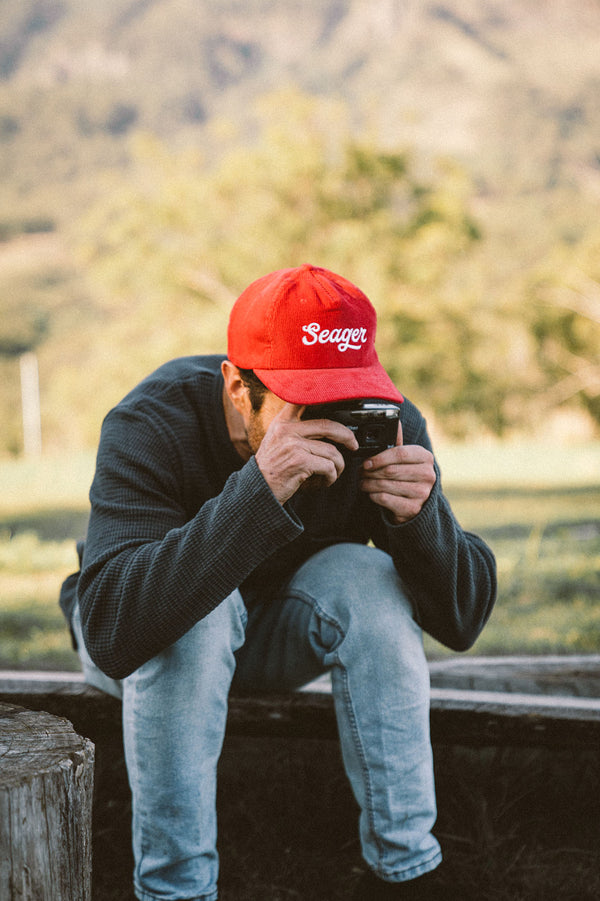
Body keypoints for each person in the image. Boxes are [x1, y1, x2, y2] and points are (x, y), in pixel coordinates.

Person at [60, 263, 496, 901]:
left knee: (369, 576)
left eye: (347, 391)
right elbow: (114, 632)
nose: (336, 420)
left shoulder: (385, 423)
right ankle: (177, 891)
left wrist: (421, 521)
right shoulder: (151, 423)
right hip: (144, 642)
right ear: (237, 387)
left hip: (275, 636)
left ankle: (408, 874)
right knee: (199, 614)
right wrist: (259, 492)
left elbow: (463, 622)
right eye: (308, 399)